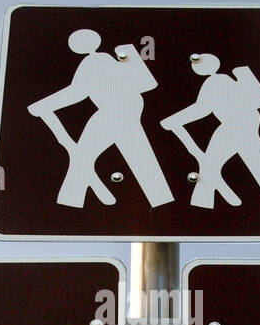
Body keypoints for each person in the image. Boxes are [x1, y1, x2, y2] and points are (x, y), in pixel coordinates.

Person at [28, 28, 173, 209]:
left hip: (111, 115)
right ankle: (163, 205)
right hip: (128, 114)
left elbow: (77, 92)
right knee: (140, 159)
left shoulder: (94, 62)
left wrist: (45, 105)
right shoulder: (115, 61)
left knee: (82, 160)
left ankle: (68, 207)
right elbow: (145, 84)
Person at [160, 53, 260, 209]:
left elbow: (202, 108)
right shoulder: (226, 79)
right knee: (256, 159)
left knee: (210, 165)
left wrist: (175, 120)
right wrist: (175, 120)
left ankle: (201, 207)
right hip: (246, 122)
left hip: (235, 125)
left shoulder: (215, 82)